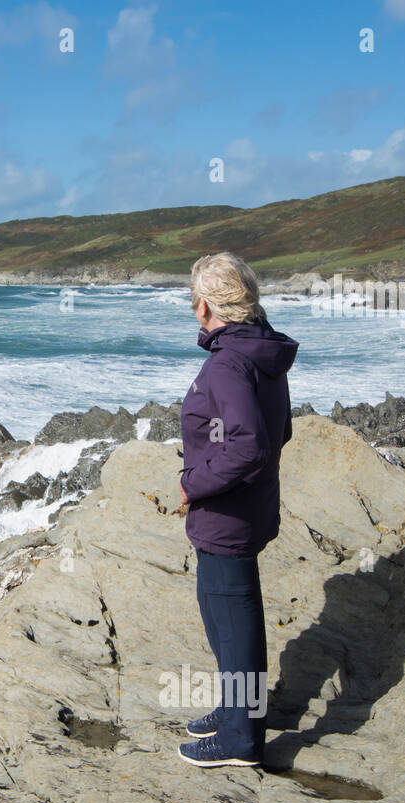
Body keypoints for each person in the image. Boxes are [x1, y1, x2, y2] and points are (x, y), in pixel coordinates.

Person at [176, 252, 298, 768]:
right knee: (226, 612)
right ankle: (236, 711)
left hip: (226, 512)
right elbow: (279, 431)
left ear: (205, 305)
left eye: (192, 298)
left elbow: (246, 445)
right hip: (247, 505)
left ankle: (240, 739)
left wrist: (194, 485)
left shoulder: (227, 362)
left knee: (232, 619)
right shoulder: (258, 349)